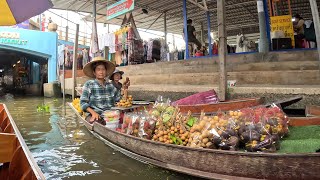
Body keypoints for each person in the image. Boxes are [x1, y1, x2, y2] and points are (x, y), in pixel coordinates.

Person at [80, 56, 124, 125]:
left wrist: (125, 89)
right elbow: (83, 103)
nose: (101, 72)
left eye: (103, 69)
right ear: (94, 72)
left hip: (110, 115)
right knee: (97, 123)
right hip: (96, 114)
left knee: (125, 120)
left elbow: (120, 100)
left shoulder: (110, 86)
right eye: (98, 69)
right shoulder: (89, 84)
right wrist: (93, 113)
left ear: (106, 72)